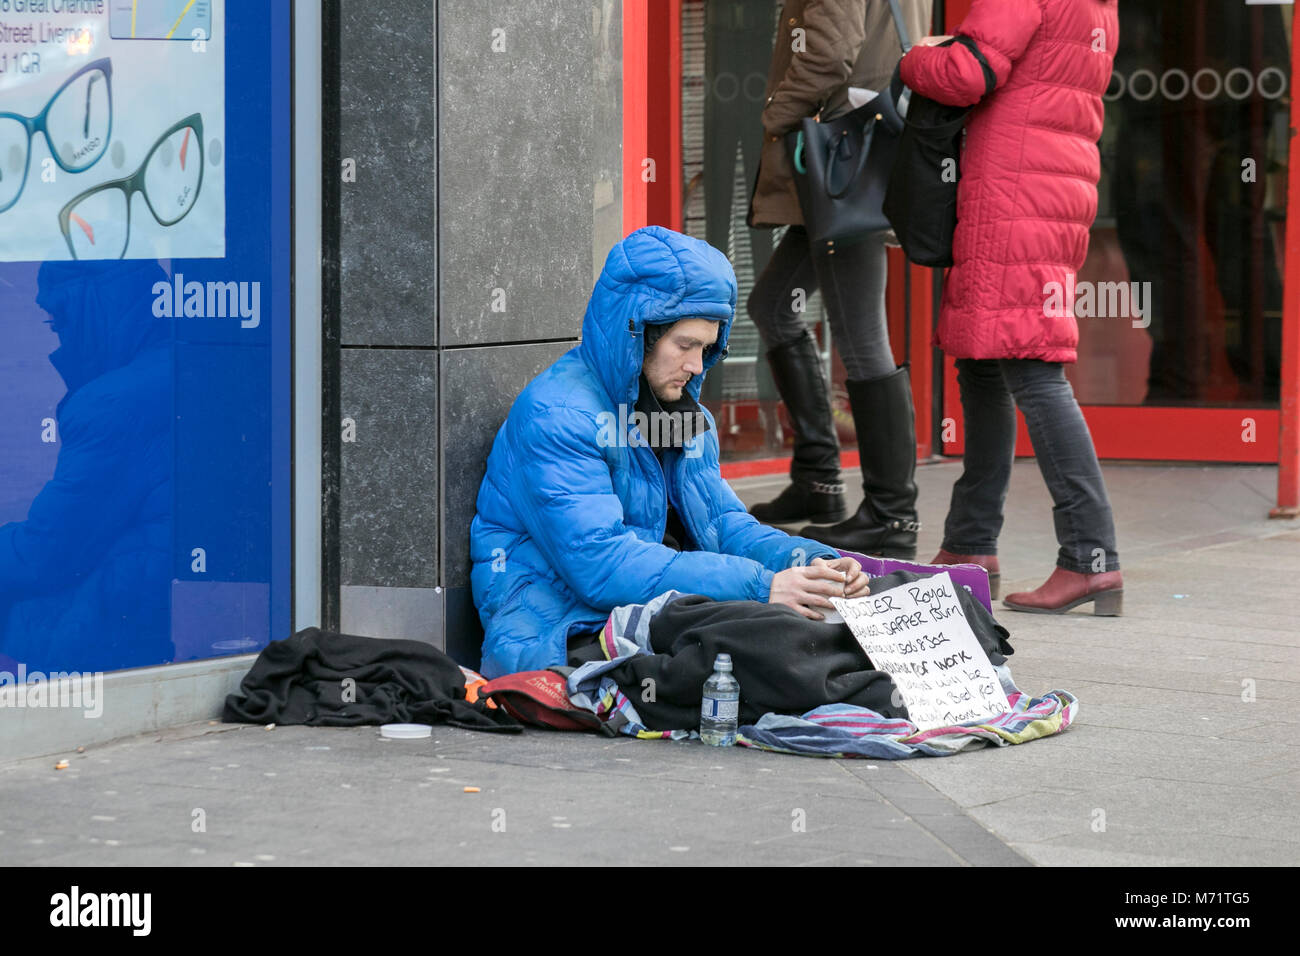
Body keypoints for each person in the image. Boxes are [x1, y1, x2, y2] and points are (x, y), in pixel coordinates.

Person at [469, 226, 871, 679]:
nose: (697, 365)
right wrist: (763, 587)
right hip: (562, 629)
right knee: (765, 642)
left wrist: (811, 564)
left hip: (665, 606)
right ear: (637, 333)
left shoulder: (681, 414)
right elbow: (604, 565)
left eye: (706, 347)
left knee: (852, 607)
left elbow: (725, 526)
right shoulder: (557, 415)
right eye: (685, 345)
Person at [900, 0, 1123, 614]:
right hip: (1051, 186)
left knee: (1031, 367)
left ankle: (1089, 557)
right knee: (982, 361)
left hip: (1015, 191)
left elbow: (968, 73)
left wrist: (917, 57)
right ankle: (970, 543)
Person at [745, 0, 933, 560]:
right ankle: (819, 480)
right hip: (852, 159)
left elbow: (827, 54)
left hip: (843, 161)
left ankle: (892, 515)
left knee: (861, 338)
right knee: (773, 305)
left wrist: (775, 115)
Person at [0, 260, 174, 672]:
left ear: (91, 310)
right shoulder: (176, 371)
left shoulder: (115, 404)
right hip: (149, 598)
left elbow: (50, 552)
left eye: (59, 322)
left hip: (109, 621)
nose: (58, 336)